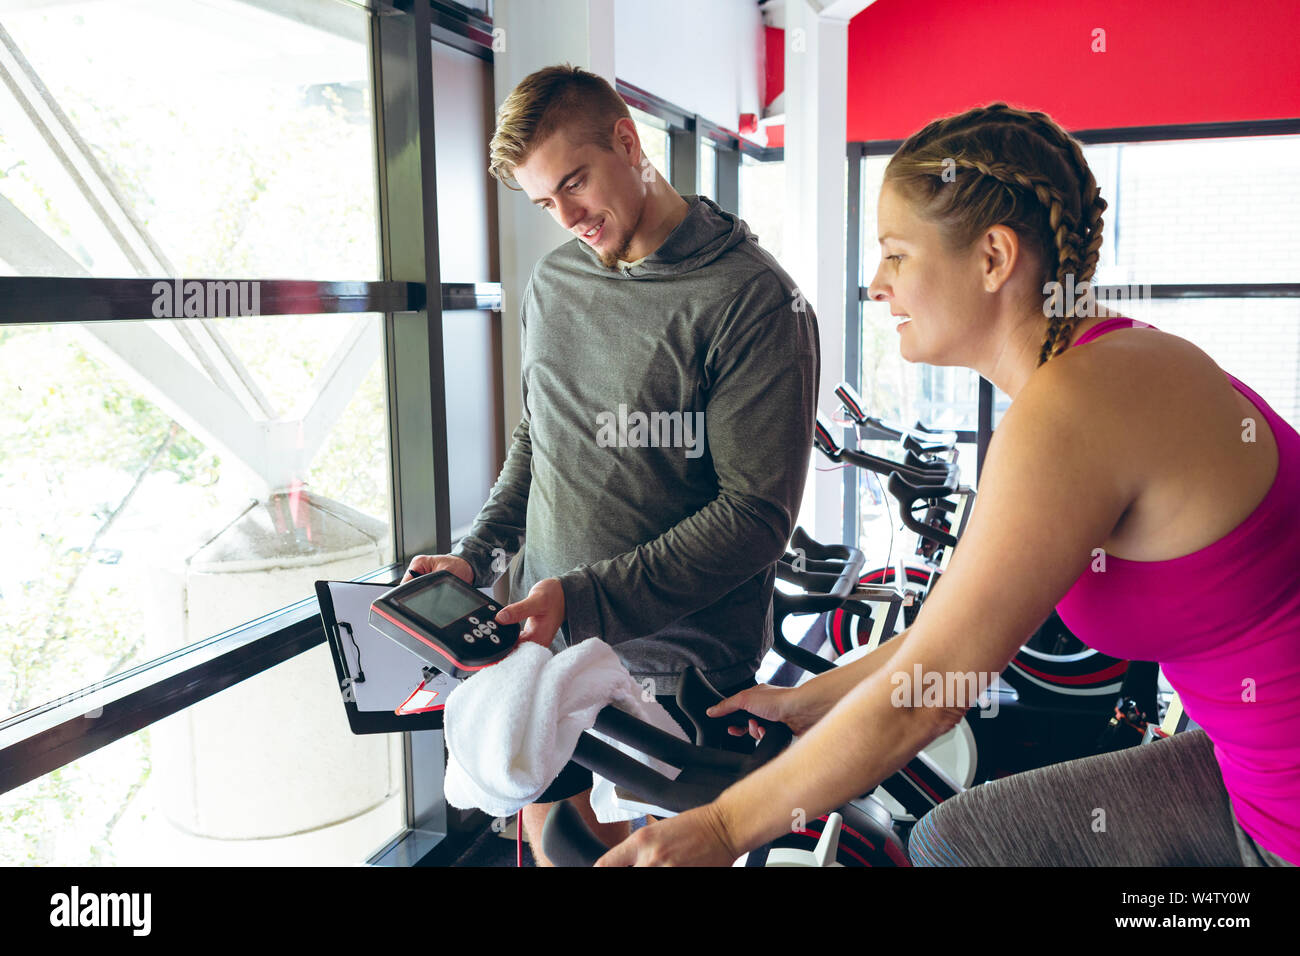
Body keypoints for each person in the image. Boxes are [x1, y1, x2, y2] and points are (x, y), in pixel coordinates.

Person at [596, 102, 1300, 867]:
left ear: (994, 258)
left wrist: (724, 828)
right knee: (951, 838)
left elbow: (930, 695)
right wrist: (806, 702)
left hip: (1280, 815)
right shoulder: (1105, 367)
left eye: (896, 254)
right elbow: (946, 638)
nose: (875, 284)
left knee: (955, 852)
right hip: (1244, 761)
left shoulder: (1075, 408)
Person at [402, 65, 820, 864]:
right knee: (553, 849)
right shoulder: (556, 281)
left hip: (677, 679)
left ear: (629, 142)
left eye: (574, 183)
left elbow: (756, 519)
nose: (566, 218)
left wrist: (582, 600)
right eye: (542, 202)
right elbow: (541, 438)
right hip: (545, 658)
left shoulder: (753, 300)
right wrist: (480, 555)